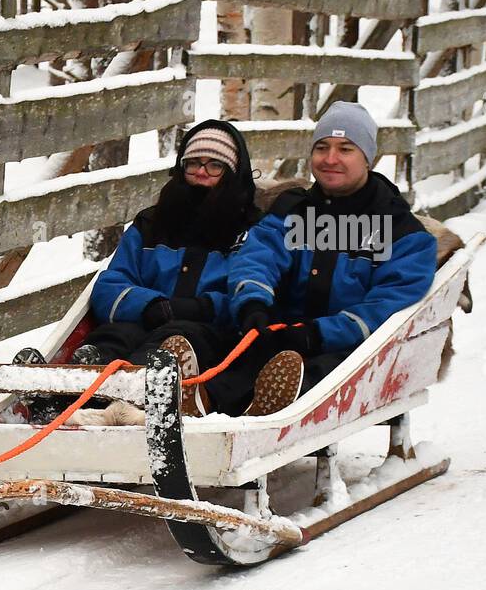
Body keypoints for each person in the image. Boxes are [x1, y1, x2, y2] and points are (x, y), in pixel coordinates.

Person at [216, 101, 438, 415]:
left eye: (345, 149)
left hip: (353, 349)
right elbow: (258, 257)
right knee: (236, 347)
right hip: (284, 333)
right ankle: (198, 405)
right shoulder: (293, 210)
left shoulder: (401, 231)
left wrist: (319, 334)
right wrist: (253, 302)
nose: (330, 159)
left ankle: (267, 411)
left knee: (320, 369)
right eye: (322, 147)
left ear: (368, 158)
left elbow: (387, 305)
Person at [61, 119, 261, 424]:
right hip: (144, 320)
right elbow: (111, 283)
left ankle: (128, 399)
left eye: (214, 166)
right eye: (192, 164)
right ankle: (69, 387)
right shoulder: (152, 224)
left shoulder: (251, 230)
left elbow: (252, 291)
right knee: (117, 334)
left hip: (209, 335)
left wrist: (196, 307)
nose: (201, 173)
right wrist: (150, 305)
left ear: (233, 172)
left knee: (174, 339)